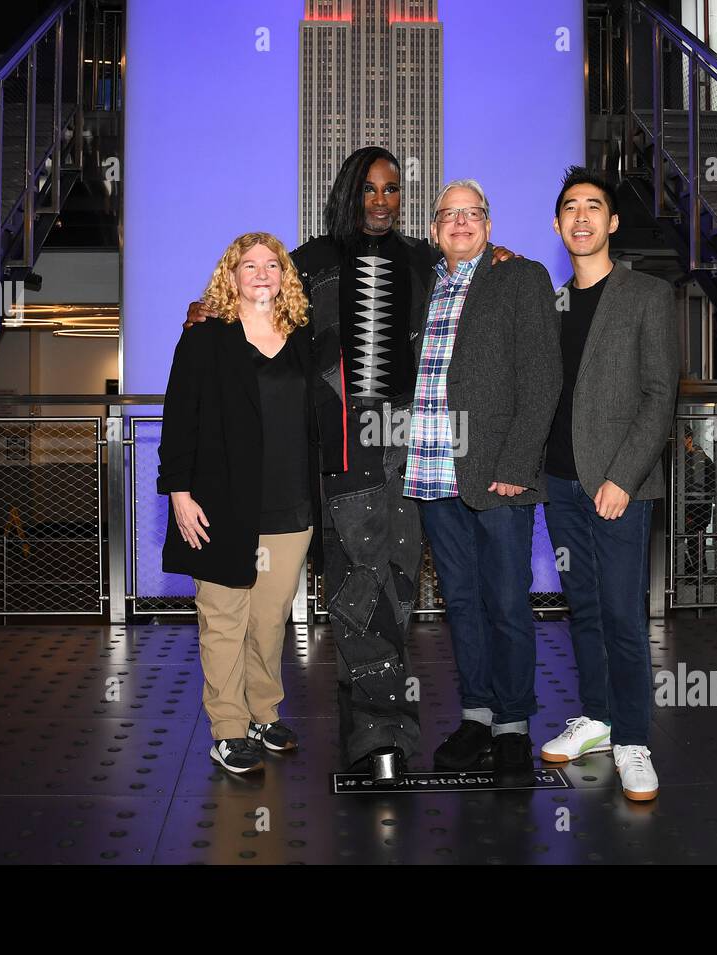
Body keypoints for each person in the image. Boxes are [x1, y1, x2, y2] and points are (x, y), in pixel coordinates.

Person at [181, 148, 518, 784]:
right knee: (358, 595)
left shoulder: (424, 261)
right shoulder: (311, 263)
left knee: (393, 593)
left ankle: (377, 731)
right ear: (348, 193)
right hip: (340, 457)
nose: (382, 201)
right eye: (369, 189)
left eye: (392, 190)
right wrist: (205, 312)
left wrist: (501, 259)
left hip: (411, 452)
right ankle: (377, 739)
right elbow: (256, 300)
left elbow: (474, 283)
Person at [407, 178, 562, 787]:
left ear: (490, 226)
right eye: (450, 215)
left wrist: (517, 466)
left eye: (473, 214)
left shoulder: (519, 278)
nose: (462, 223)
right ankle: (476, 717)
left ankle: (513, 728)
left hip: (499, 474)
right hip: (432, 470)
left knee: (506, 602)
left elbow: (542, 378)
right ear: (434, 228)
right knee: (463, 603)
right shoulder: (424, 284)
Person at [534, 167, 680, 802]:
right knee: (584, 611)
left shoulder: (647, 294)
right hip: (560, 483)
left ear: (613, 223)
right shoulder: (552, 303)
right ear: (559, 223)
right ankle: (596, 718)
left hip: (618, 485)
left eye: (595, 206)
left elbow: (659, 394)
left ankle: (635, 741)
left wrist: (623, 476)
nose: (583, 217)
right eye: (571, 208)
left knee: (623, 617)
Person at [157, 232, 318, 776]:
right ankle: (228, 729)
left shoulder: (303, 336)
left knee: (270, 620)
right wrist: (179, 492)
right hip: (221, 504)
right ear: (230, 275)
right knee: (224, 619)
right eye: (248, 265)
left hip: (289, 508)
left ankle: (264, 713)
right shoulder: (205, 337)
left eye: (271, 264)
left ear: (284, 275)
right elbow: (179, 418)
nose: (260, 272)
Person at [681, 427, 715, 580]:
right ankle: (698, 576)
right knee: (695, 545)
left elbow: (703, 488)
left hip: (695, 511)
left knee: (695, 546)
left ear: (689, 439)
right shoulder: (699, 458)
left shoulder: (697, 460)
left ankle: (699, 578)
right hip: (696, 511)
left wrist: (690, 514)